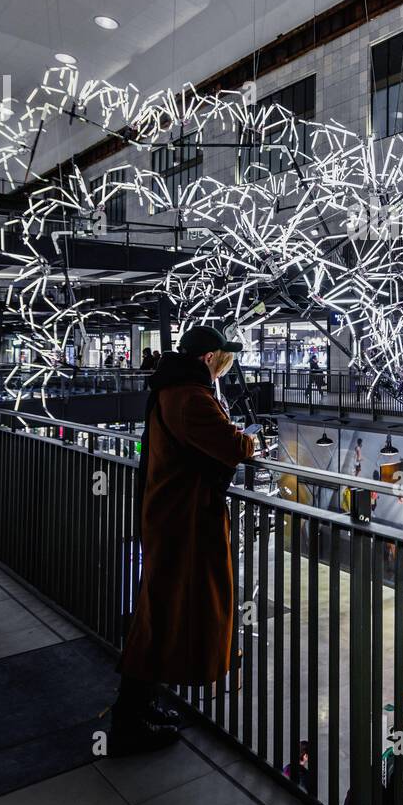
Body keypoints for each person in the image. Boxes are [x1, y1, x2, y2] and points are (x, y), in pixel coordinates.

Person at [112, 324, 255, 755]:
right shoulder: (190, 397)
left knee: (162, 614)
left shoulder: (172, 389)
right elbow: (232, 445)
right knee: (160, 616)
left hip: (170, 518)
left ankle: (140, 707)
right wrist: (249, 441)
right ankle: (129, 719)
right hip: (181, 523)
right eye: (223, 361)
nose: (225, 369)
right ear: (211, 358)